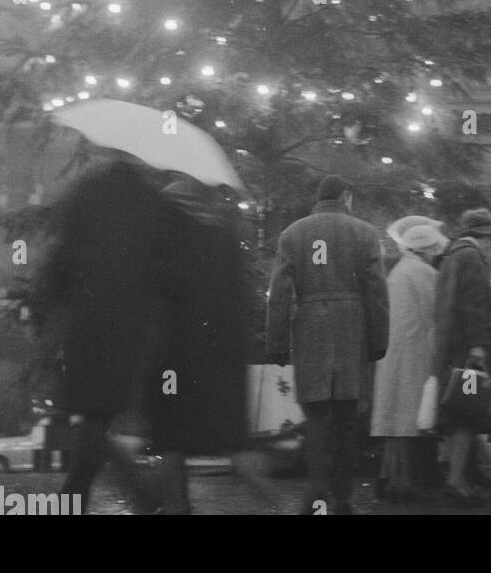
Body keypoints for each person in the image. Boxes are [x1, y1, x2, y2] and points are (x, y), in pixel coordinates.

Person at [32, 155, 169, 514]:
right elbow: (160, 267)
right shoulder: (151, 199)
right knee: (98, 417)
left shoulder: (86, 190)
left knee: (93, 416)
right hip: (129, 323)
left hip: (86, 319)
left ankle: (85, 498)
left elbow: (62, 255)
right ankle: (123, 492)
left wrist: (53, 307)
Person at [140, 175, 264, 514]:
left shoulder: (164, 235)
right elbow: (237, 299)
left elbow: (152, 291)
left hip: (170, 351)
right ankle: (250, 480)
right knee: (203, 428)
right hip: (212, 349)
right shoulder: (223, 234)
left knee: (169, 437)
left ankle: (176, 505)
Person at [266, 175, 389, 515]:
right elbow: (376, 290)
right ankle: (344, 497)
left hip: (311, 332)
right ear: (346, 197)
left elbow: (279, 294)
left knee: (317, 416)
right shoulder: (365, 233)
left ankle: (317, 492)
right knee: (348, 418)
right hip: (352, 332)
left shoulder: (293, 234)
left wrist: (277, 342)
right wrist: (379, 338)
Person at [370, 218, 447, 500]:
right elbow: (435, 317)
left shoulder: (400, 271)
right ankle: (402, 481)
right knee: (408, 420)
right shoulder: (424, 273)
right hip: (415, 355)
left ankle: (389, 476)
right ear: (426, 248)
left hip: (394, 355)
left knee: (394, 420)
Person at [433, 207, 491, 503]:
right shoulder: (472, 258)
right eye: (489, 237)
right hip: (466, 352)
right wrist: (478, 346)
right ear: (481, 235)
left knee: (455, 412)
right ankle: (456, 480)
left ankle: (458, 475)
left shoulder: (452, 255)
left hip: (449, 348)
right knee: (465, 413)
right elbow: (474, 305)